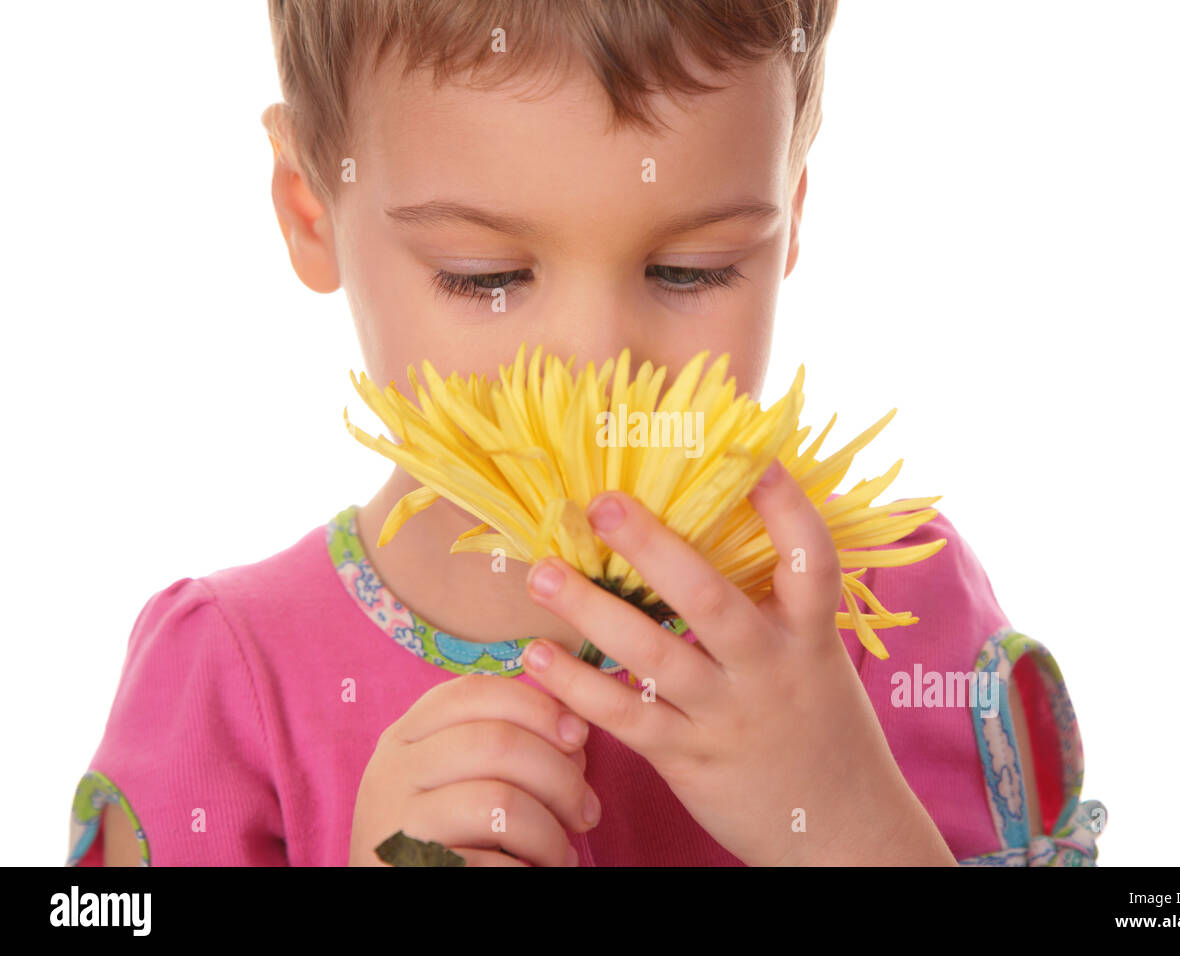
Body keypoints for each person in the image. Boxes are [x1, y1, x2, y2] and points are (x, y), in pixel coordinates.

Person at [68, 0, 1106, 867]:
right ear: (309, 211)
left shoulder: (894, 608)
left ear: (788, 211)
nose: (599, 369)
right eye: (487, 277)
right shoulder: (229, 682)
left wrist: (847, 824)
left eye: (690, 268)